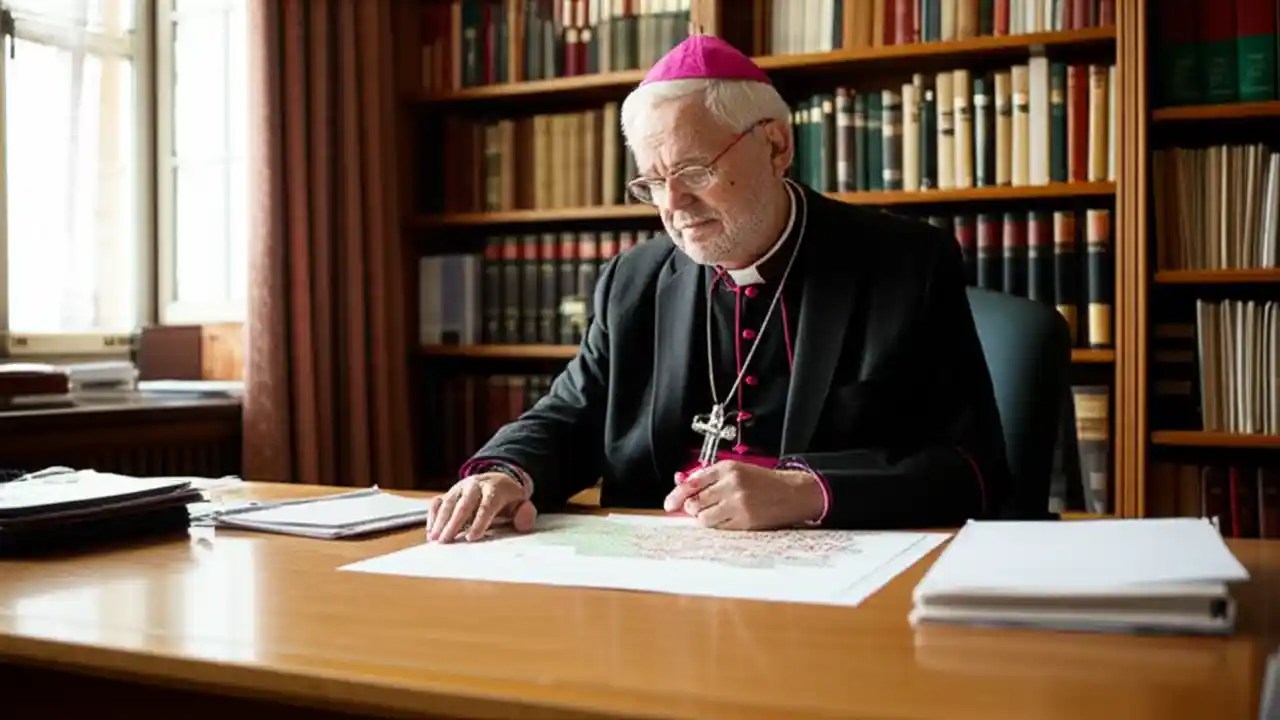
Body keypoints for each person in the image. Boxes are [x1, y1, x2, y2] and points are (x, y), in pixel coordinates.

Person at [426, 34, 1011, 543]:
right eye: (653, 182)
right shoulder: (634, 280)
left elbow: (970, 468)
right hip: (656, 580)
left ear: (777, 146)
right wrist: (506, 472)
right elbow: (570, 414)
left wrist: (805, 492)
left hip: (834, 579)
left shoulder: (905, 264)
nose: (673, 206)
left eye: (694, 173)